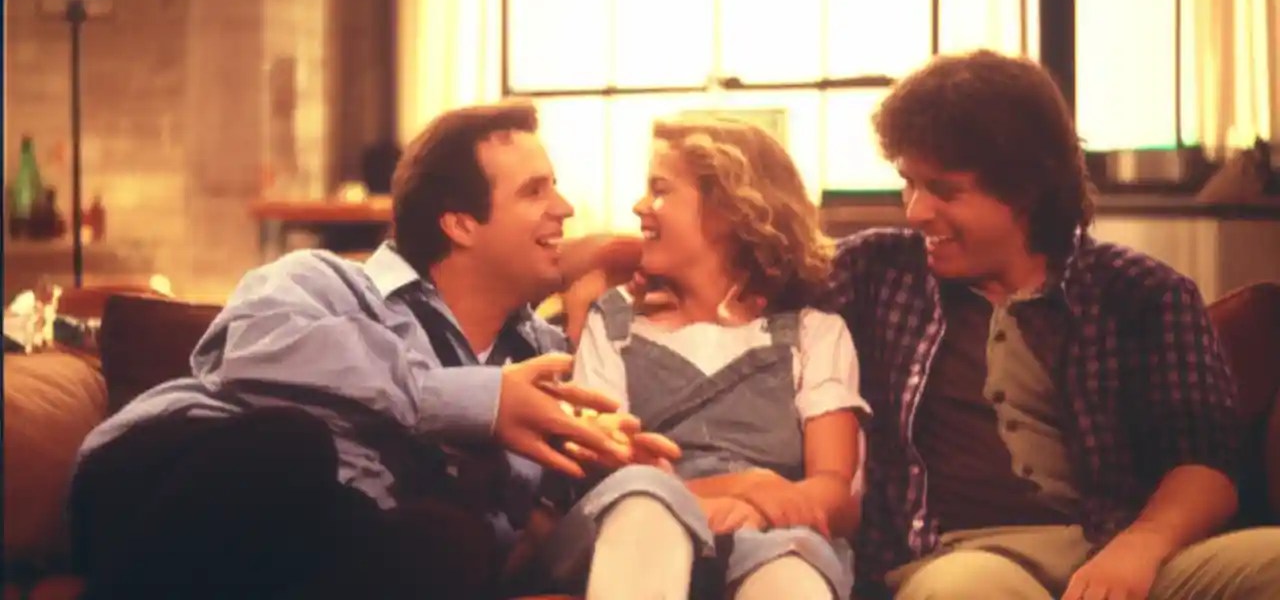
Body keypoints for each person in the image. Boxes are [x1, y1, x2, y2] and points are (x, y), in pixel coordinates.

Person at [66, 103, 653, 600]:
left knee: (448, 542)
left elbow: (506, 536)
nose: (566, 208)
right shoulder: (326, 282)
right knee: (291, 445)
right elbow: (245, 351)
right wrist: (471, 402)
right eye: (536, 190)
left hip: (328, 537)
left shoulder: (544, 367)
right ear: (459, 224)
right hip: (163, 481)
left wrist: (593, 481)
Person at [822, 50, 1280, 599]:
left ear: (1025, 189)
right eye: (908, 183)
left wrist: (1140, 546)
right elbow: (748, 287)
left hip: (1132, 553)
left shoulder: (1141, 292)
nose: (916, 211)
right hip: (964, 557)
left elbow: (1206, 463)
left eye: (944, 191)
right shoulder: (873, 273)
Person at [528, 119, 869, 600]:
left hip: (768, 532)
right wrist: (741, 487)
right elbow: (604, 470)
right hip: (632, 522)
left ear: (729, 210)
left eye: (660, 191)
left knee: (792, 566)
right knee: (647, 501)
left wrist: (761, 510)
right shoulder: (615, 324)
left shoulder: (814, 333)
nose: (640, 206)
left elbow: (836, 490)